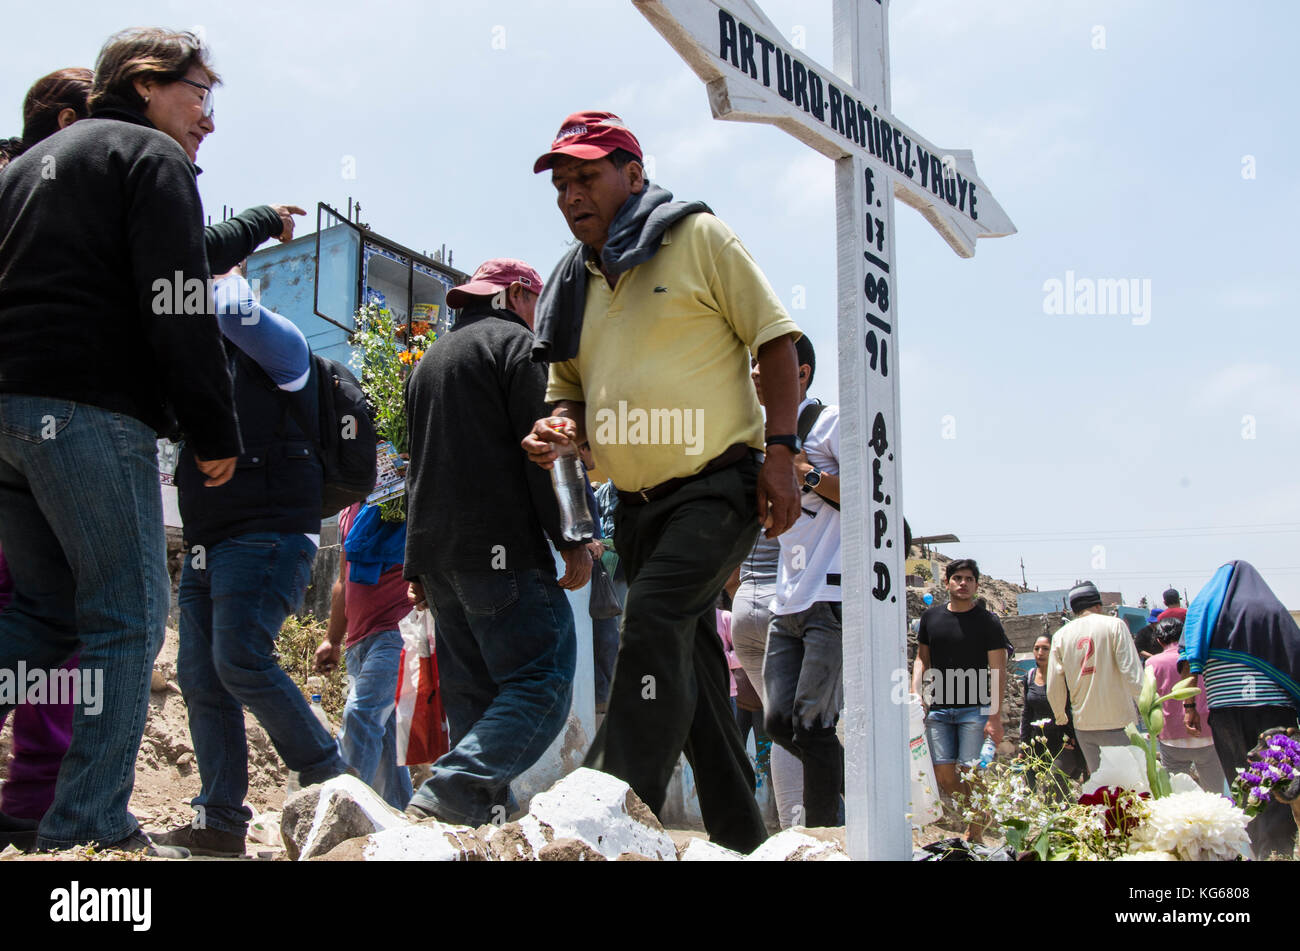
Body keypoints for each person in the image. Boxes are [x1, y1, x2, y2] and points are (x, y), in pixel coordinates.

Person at [522, 110, 803, 854]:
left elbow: (774, 339)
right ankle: (744, 838)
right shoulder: (574, 281)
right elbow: (567, 391)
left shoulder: (698, 237)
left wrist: (781, 451)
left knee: (651, 618)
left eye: (585, 176)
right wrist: (560, 429)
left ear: (633, 174)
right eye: (560, 183)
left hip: (717, 486)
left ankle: (606, 801)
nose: (569, 194)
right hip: (636, 508)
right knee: (701, 684)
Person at [0, 28, 242, 857]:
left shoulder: (33, 164)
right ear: (146, 83)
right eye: (200, 93)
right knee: (131, 617)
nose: (207, 118)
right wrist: (212, 428)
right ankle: (90, 824)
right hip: (86, 411)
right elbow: (177, 298)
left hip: (10, 414)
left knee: (45, 612)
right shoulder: (151, 156)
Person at [153, 262, 349, 857]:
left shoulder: (283, 351)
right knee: (202, 677)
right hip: (208, 545)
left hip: (268, 538)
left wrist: (225, 269)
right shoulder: (200, 375)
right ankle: (220, 823)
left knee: (239, 658)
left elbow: (234, 311)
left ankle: (330, 777)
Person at [404, 258, 589, 827]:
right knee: (545, 678)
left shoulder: (428, 363)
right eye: (536, 301)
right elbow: (548, 452)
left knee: (476, 704)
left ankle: (477, 826)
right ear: (514, 296)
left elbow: (418, 470)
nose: (541, 315)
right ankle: (449, 792)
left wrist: (416, 567)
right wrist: (575, 536)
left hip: (440, 562)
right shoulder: (518, 347)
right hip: (501, 552)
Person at [759, 335, 845, 828]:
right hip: (785, 600)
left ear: (802, 375)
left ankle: (824, 838)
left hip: (829, 597)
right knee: (777, 722)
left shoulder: (829, 422)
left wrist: (806, 473)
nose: (754, 374)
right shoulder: (763, 434)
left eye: (764, 366)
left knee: (813, 726)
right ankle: (846, 794)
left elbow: (871, 498)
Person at [1182, 560, 1300, 858]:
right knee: (1278, 784)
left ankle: (1251, 849)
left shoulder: (1205, 611)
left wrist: (1189, 706)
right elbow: (1294, 655)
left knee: (1242, 783)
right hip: (1272, 712)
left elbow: (1188, 663)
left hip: (1225, 713)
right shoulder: (1270, 610)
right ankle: (1278, 853)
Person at [314, 501, 415, 811]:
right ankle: (398, 821)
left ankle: (342, 813)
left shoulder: (403, 496)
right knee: (383, 740)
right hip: (359, 642)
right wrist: (332, 639)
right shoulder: (348, 511)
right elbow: (344, 581)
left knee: (362, 715)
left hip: (398, 633)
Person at [911, 559, 1007, 840]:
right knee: (943, 776)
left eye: (969, 579)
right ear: (947, 582)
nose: (963, 583)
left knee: (970, 772)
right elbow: (922, 658)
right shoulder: (931, 618)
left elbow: (998, 670)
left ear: (976, 585)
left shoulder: (988, 622)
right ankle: (980, 813)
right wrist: (916, 691)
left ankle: (974, 832)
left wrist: (995, 716)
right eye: (957, 578)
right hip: (939, 708)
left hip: (975, 709)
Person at [1046, 581, 1143, 773]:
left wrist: (1060, 716)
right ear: (1098, 605)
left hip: (1084, 725)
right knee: (1131, 787)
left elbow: (1054, 683)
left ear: (1073, 609)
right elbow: (1132, 673)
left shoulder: (1061, 636)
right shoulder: (1115, 626)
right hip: (1119, 721)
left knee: (1101, 789)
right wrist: (1146, 708)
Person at [1144, 618, 1224, 793]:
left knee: (1176, 795)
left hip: (1171, 737)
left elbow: (1149, 699)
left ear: (1159, 640)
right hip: (1207, 733)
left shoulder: (1153, 663)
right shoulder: (1199, 657)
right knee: (1215, 795)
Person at [577, 440, 624, 713]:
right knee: (606, 634)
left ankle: (606, 696)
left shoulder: (611, 489)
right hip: (602, 569)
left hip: (614, 570)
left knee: (611, 635)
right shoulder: (584, 478)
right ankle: (602, 697)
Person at [1019, 634, 1085, 789]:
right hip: (1039, 743)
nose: (1040, 652)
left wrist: (1072, 737)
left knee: (1053, 783)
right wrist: (1024, 743)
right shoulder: (1030, 677)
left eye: (1045, 649)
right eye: (1036, 648)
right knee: (1030, 788)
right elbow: (1027, 712)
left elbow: (1073, 708)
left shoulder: (1064, 677)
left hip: (1063, 743)